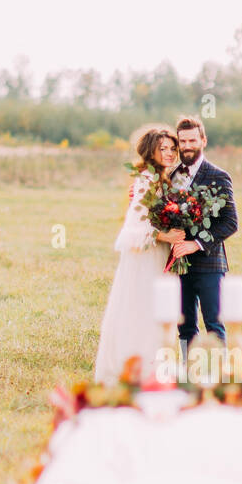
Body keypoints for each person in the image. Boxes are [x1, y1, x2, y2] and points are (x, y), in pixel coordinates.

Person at [93, 125, 185, 385]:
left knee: (159, 310)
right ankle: (138, 367)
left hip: (159, 255)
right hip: (146, 256)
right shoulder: (146, 179)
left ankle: (156, 367)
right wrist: (164, 236)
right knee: (143, 308)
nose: (169, 153)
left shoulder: (164, 178)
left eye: (172, 148)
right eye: (162, 149)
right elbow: (134, 227)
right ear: (150, 152)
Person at [169, 117, 238, 351]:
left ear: (203, 140)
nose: (187, 146)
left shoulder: (218, 176)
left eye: (192, 140)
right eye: (182, 141)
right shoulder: (172, 177)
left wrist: (195, 244)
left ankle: (218, 378)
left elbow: (230, 222)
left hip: (209, 264)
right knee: (185, 326)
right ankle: (190, 376)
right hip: (179, 264)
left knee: (214, 325)